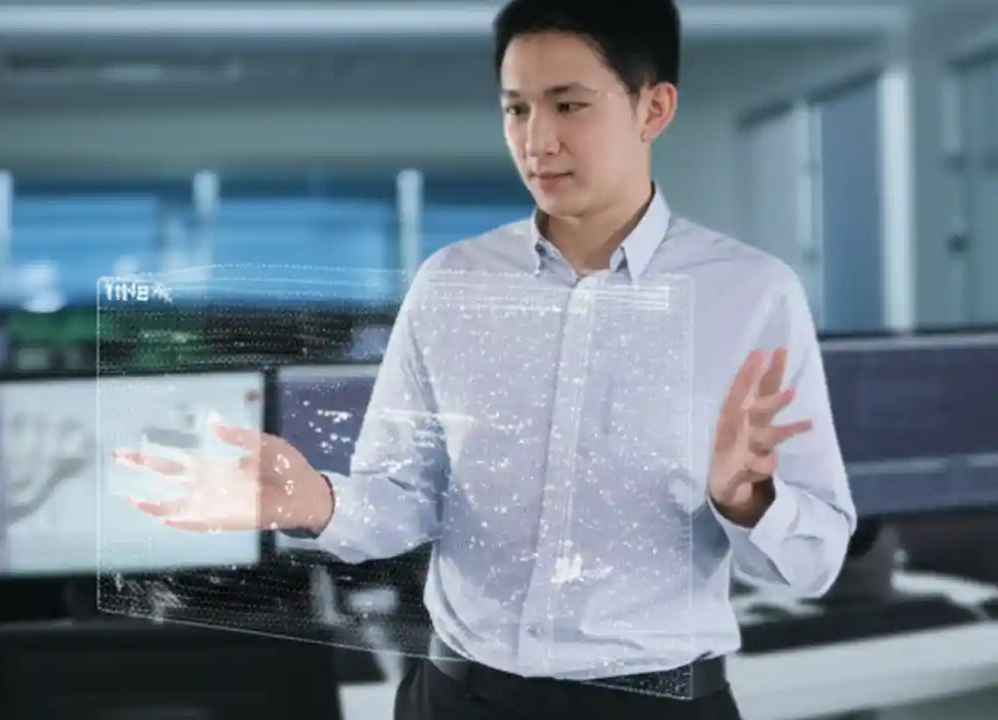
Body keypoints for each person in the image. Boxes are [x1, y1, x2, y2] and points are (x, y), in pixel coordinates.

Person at [114, 0, 857, 717]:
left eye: (569, 106)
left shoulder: (751, 296)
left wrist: (745, 501)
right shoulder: (452, 283)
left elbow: (810, 564)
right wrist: (320, 502)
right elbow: (405, 496)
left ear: (653, 109)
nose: (537, 140)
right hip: (462, 697)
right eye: (516, 108)